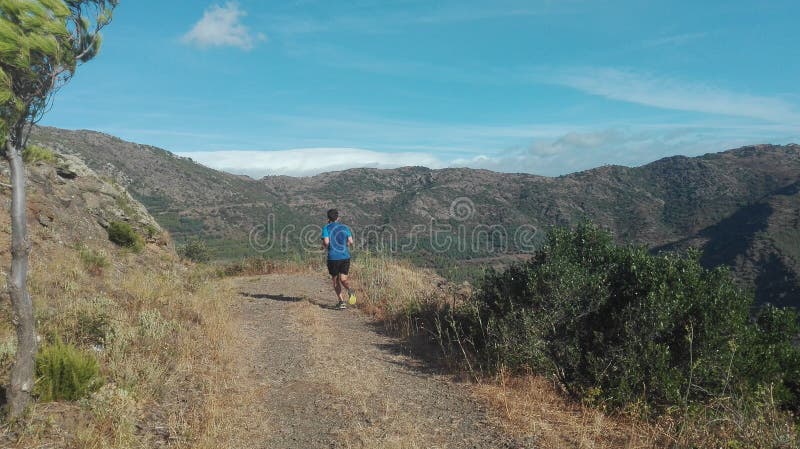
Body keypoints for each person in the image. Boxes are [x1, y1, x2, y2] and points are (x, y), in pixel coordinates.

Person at [321, 208, 355, 309]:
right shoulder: (345, 227)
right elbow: (351, 241)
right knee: (343, 279)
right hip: (345, 256)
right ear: (338, 217)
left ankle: (341, 302)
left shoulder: (326, 228)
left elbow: (326, 242)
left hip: (333, 258)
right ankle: (350, 289)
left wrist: (323, 246)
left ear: (328, 218)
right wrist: (344, 246)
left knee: (336, 281)